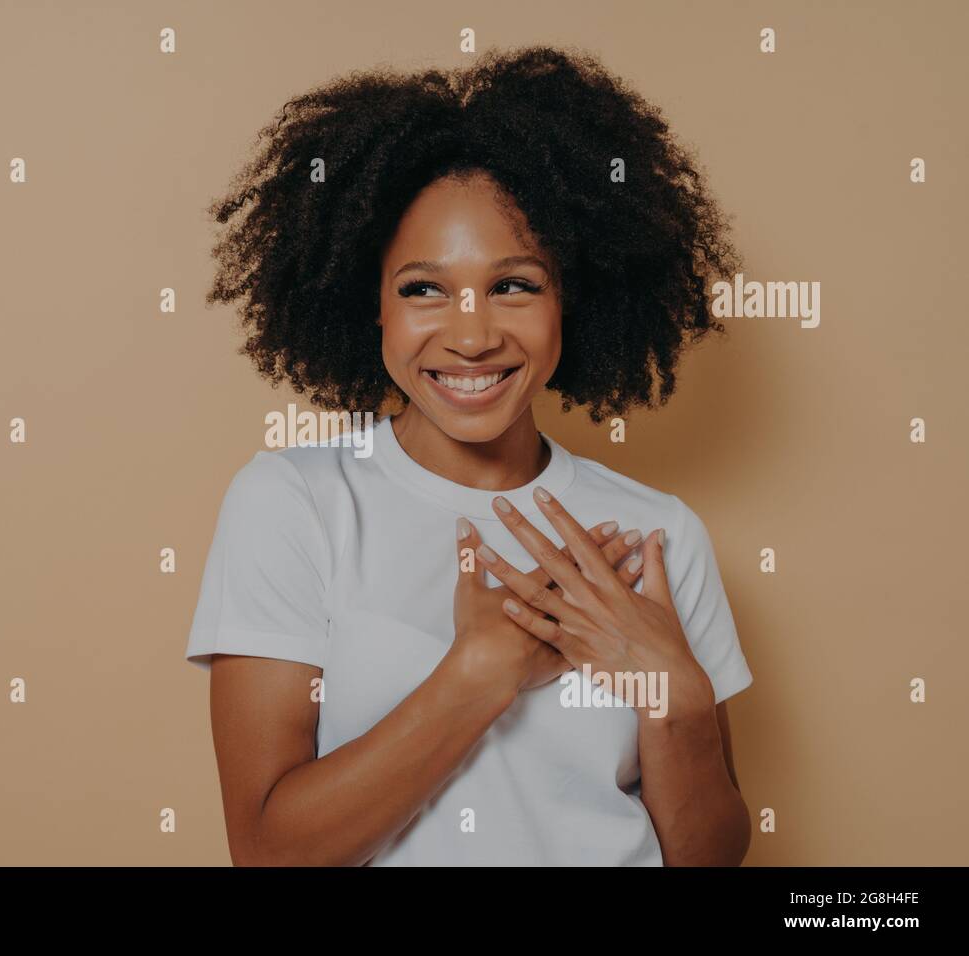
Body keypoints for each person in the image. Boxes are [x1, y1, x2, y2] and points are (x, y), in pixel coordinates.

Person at [185, 46, 753, 866]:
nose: (473, 335)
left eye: (514, 284)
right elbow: (269, 852)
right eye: (423, 289)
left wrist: (677, 695)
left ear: (572, 302)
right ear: (368, 304)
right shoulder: (294, 502)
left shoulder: (656, 533)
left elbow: (711, 856)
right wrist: (479, 673)